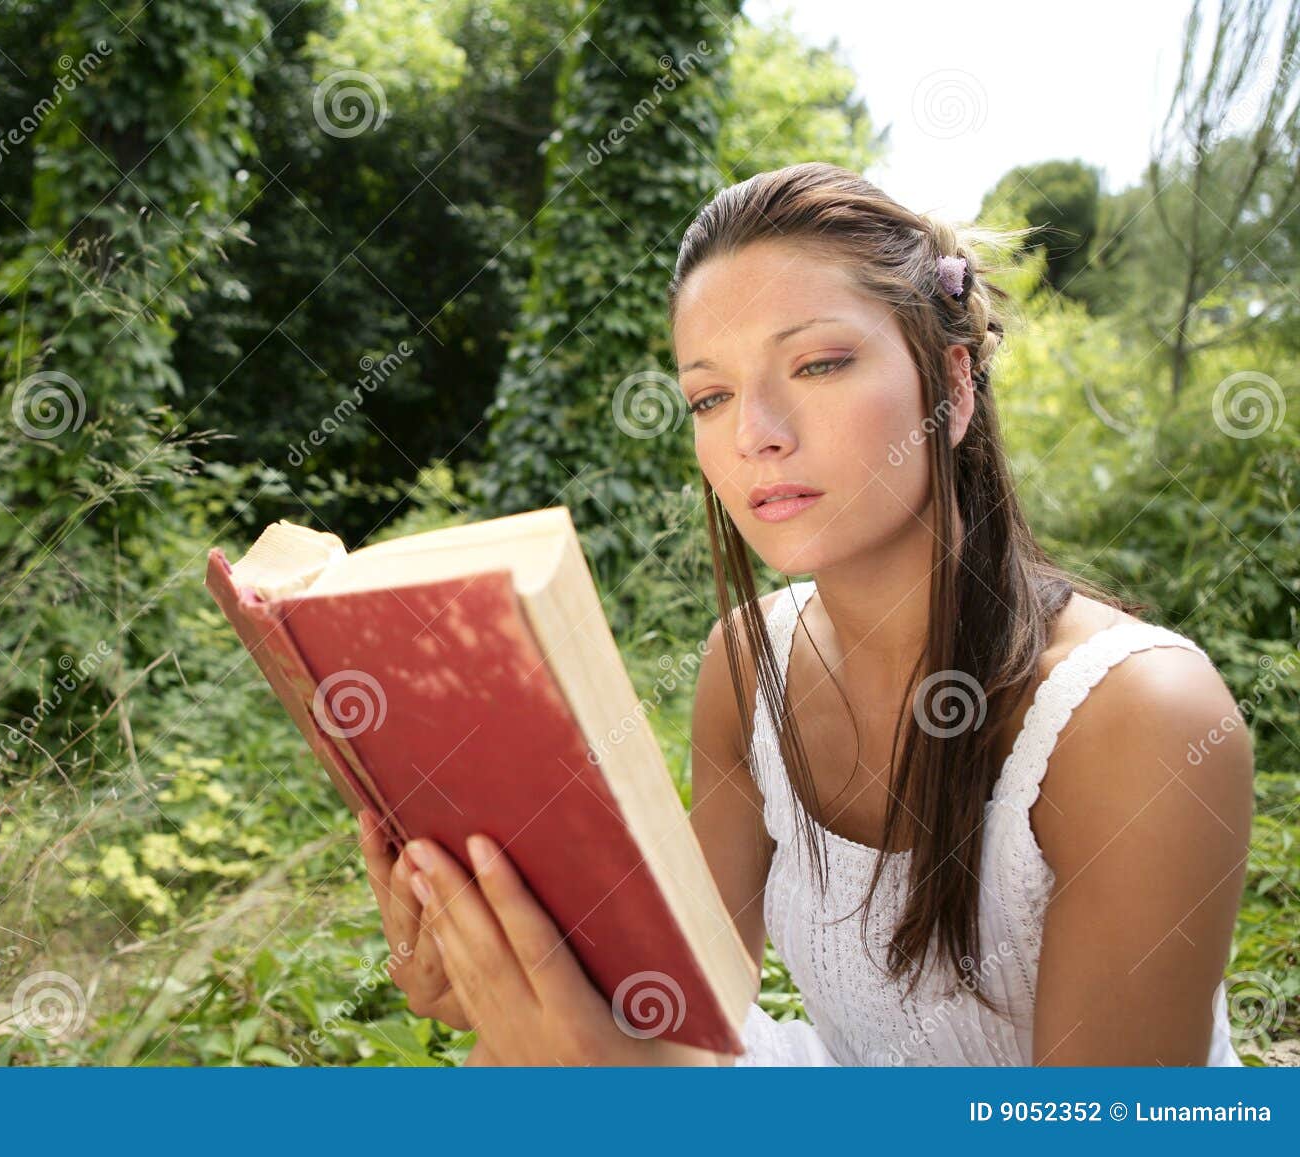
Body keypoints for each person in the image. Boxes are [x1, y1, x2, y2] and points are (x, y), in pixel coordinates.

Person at [355, 162, 1254, 1066]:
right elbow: (689, 1004)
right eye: (710, 395)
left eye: (819, 363)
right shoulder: (747, 661)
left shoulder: (1142, 714)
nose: (757, 432)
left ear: (952, 387)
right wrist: (503, 971)